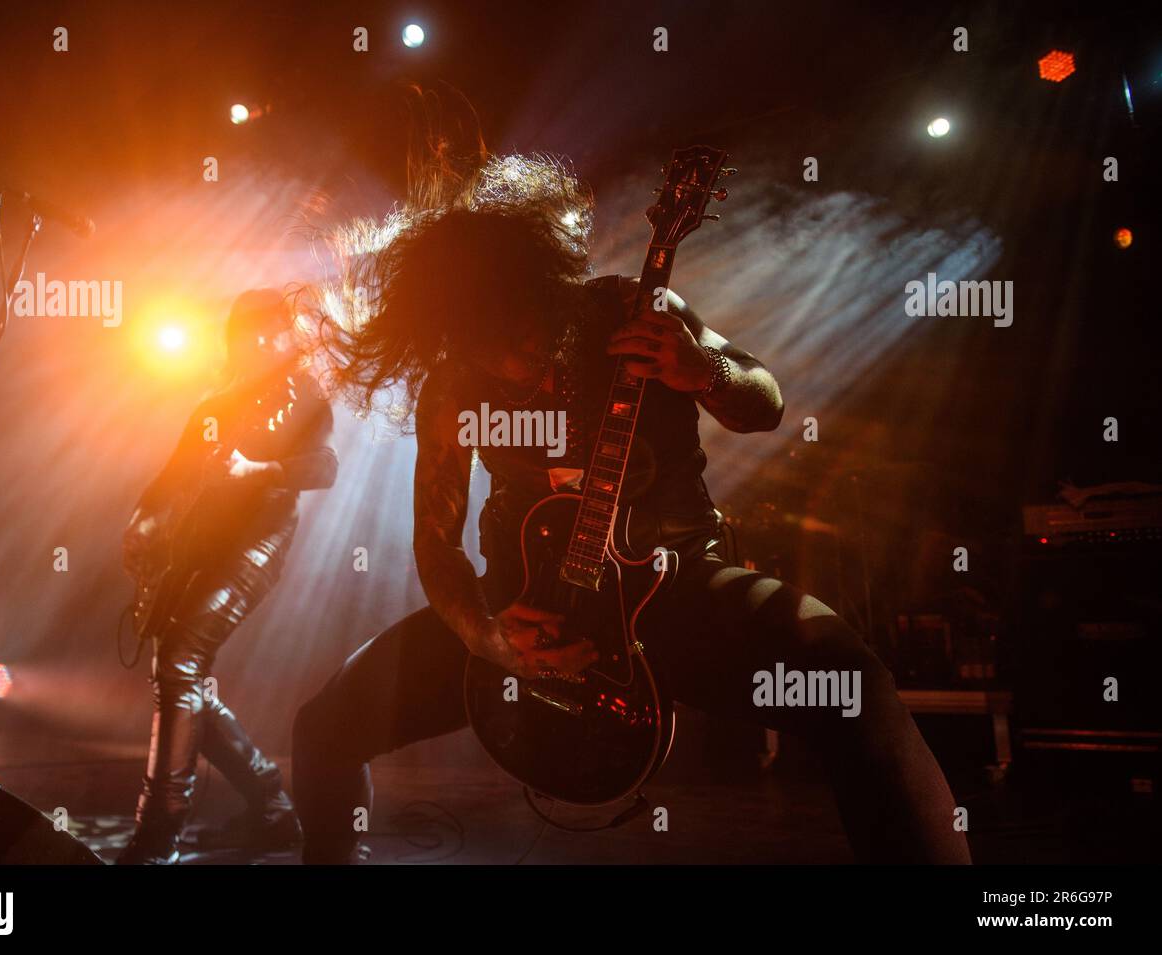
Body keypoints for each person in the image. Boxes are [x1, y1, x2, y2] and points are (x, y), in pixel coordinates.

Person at [292, 151, 970, 865]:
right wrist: (486, 637)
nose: (508, 360)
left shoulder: (634, 309)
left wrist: (703, 371)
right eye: (480, 343)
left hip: (670, 588)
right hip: (527, 607)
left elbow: (765, 403)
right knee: (324, 726)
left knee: (849, 681)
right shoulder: (454, 386)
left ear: (543, 289)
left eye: (517, 332)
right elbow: (436, 540)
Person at [119, 289, 337, 864]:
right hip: (201, 553)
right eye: (250, 331)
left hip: (257, 547)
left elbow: (325, 467)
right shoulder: (215, 406)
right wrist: (141, 523)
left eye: (272, 331)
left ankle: (157, 834)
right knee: (179, 672)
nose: (262, 341)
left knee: (180, 664)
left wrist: (256, 469)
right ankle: (270, 809)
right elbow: (167, 482)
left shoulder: (304, 394)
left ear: (288, 337)